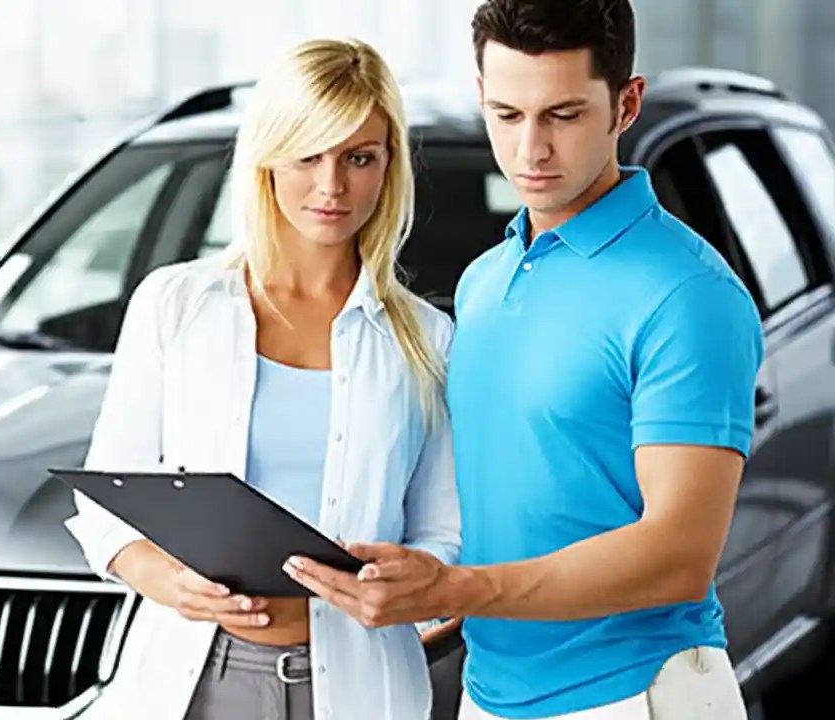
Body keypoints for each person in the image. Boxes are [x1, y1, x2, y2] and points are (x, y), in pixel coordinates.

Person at [285, 2, 763, 719]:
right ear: (481, 98)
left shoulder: (686, 294)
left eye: (563, 116)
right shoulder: (485, 280)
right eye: (507, 115)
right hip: (491, 691)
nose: (531, 151)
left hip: (635, 692)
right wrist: (422, 583)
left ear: (625, 103)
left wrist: (458, 587)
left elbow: (679, 555)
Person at [63, 38, 460, 720]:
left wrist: (408, 579)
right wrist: (170, 582)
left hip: (362, 688)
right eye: (308, 154)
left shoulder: (426, 341)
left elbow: (443, 532)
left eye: (358, 158)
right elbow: (107, 506)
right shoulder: (177, 306)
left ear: (388, 165)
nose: (331, 186)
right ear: (268, 157)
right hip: (196, 679)